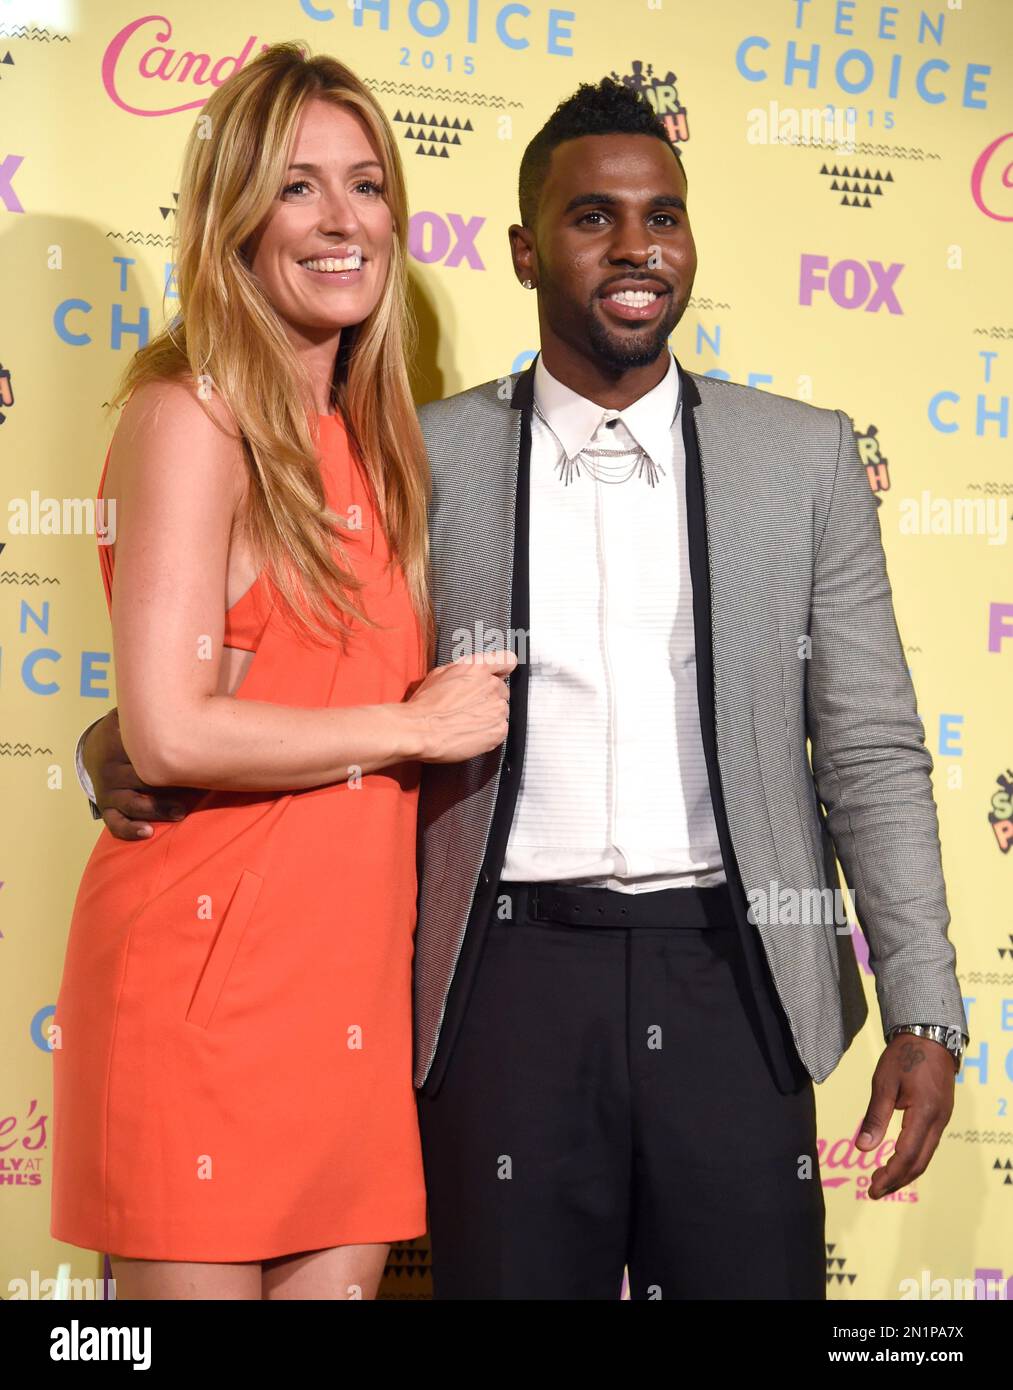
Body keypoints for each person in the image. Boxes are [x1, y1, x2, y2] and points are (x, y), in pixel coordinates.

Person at [79, 78, 969, 1301]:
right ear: (521, 250)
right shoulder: (412, 449)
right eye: (592, 217)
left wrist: (923, 1006)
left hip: (733, 979)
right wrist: (121, 735)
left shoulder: (801, 459)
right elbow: (275, 636)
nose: (635, 248)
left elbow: (869, 747)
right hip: (497, 991)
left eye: (662, 217)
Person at [52, 42, 512, 1302]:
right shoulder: (190, 414)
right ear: (235, 217)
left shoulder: (386, 447)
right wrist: (412, 729)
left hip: (347, 996)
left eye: (365, 185)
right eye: (297, 186)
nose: (340, 219)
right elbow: (171, 733)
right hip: (200, 983)